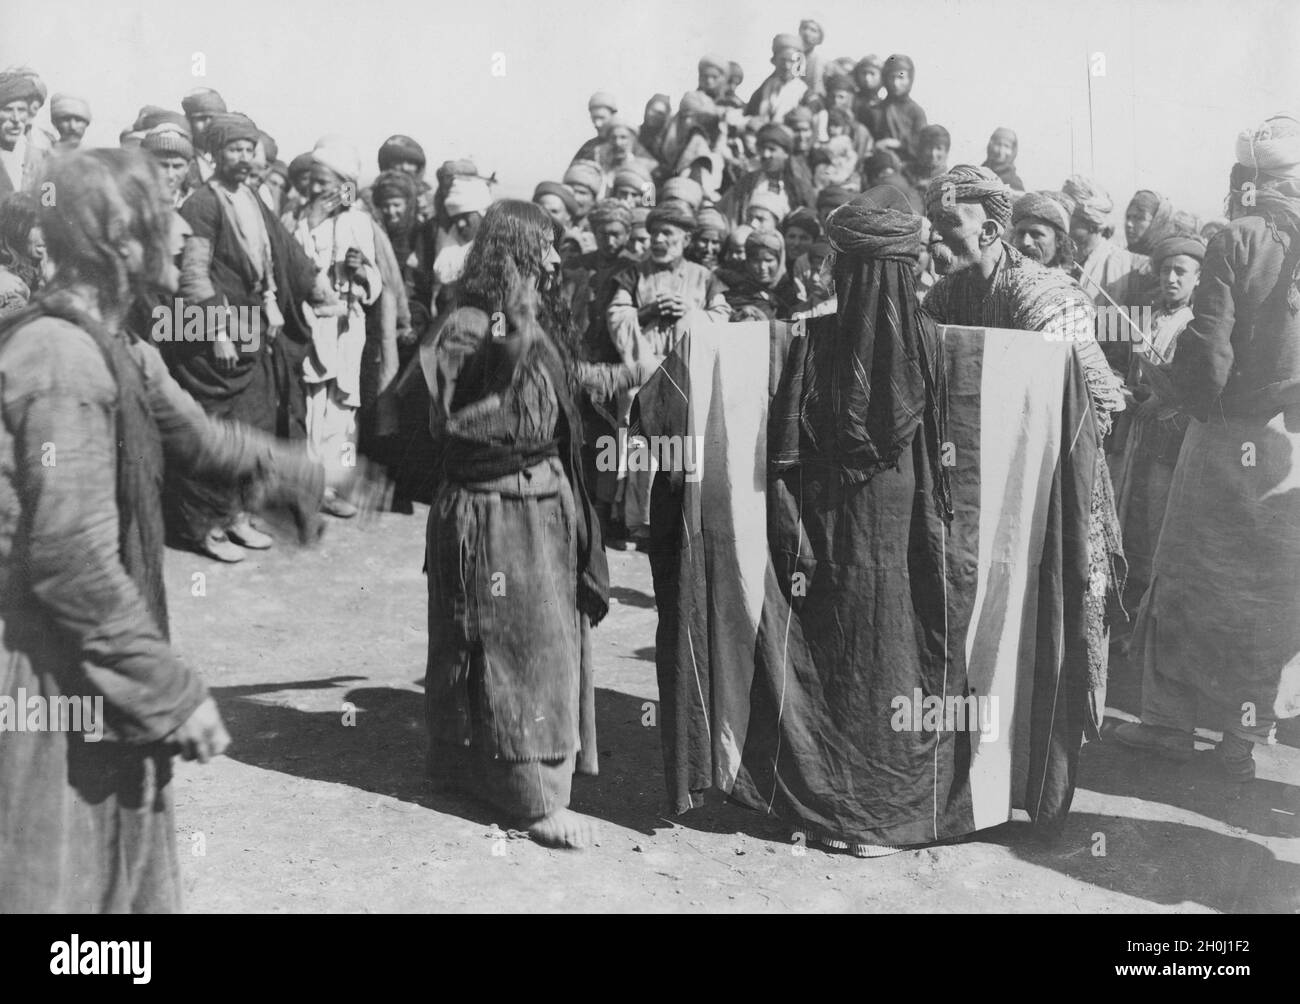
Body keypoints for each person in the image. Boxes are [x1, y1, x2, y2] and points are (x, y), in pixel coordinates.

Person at [0, 149, 350, 912]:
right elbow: (70, 561)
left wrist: (316, 471)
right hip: (49, 674)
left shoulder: (120, 348)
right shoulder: (60, 359)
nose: (182, 236)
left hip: (92, 663)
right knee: (61, 896)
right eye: (165, 219)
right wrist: (169, 691)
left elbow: (200, 441)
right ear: (120, 242)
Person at [1115, 116, 1300, 779]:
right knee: (1262, 593)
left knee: (1188, 578)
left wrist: (1171, 384)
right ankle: (1239, 743)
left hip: (1223, 436)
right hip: (1287, 446)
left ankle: (1167, 724)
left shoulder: (1235, 240)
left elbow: (1211, 360)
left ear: (1246, 180)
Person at [423, 199, 610, 849]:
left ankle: (484, 773)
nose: (555, 262)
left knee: (528, 649)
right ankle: (531, 800)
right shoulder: (466, 325)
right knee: (512, 650)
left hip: (539, 508)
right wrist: (512, 347)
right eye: (541, 250)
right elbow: (454, 421)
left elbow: (561, 395)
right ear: (509, 255)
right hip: (496, 510)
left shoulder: (526, 320)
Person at [922, 166, 1127, 716]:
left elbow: (1095, 407)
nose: (933, 238)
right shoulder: (945, 297)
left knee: (1045, 627)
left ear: (990, 231)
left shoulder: (1047, 294)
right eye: (930, 225)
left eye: (946, 224)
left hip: (1053, 481)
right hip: (976, 482)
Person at [170, 112, 327, 560]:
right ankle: (204, 526)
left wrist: (312, 287)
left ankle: (236, 514)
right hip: (213, 332)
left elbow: (278, 253)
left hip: (253, 329)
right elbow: (194, 274)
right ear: (215, 155)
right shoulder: (204, 202)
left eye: (248, 148)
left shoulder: (252, 197)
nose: (243, 157)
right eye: (233, 149)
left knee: (251, 427)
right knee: (217, 431)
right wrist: (217, 330)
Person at [605, 201, 729, 545]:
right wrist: (644, 313)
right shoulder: (632, 274)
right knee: (639, 448)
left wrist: (689, 314)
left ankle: (682, 523)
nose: (659, 239)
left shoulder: (705, 278)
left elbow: (721, 320)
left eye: (667, 233)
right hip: (642, 372)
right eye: (654, 232)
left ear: (686, 238)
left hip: (686, 375)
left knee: (683, 448)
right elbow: (616, 318)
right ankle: (638, 523)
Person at [1110, 235, 1203, 609]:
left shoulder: (1196, 325)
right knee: (1125, 507)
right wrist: (1124, 385)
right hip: (1133, 431)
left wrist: (1162, 399)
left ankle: (1151, 605)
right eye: (1166, 270)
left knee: (1157, 518)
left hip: (1169, 439)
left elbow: (1197, 387)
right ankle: (1123, 597)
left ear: (1198, 278)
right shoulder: (1144, 316)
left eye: (1181, 272)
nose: (1172, 278)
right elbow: (1123, 361)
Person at [291, 138, 383, 519]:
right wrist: (311, 225)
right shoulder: (300, 220)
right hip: (314, 326)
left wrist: (360, 269)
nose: (317, 190)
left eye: (325, 182)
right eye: (312, 181)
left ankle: (335, 486)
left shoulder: (359, 221)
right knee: (313, 404)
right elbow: (294, 266)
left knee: (343, 409)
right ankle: (310, 486)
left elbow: (375, 283)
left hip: (348, 328)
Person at [1062, 174, 1150, 372]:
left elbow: (1136, 338)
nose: (1064, 224)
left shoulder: (1127, 267)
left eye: (1070, 217)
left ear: (1090, 221)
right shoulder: (1060, 260)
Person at [717, 123, 815, 227]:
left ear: (786, 154)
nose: (765, 155)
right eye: (762, 149)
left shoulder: (799, 187)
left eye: (772, 149)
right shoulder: (746, 183)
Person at [867, 54, 927, 168]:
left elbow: (924, 146)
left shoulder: (916, 112)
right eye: (891, 77)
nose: (895, 83)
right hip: (878, 167)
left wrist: (899, 144)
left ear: (910, 79)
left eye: (901, 77)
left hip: (910, 168)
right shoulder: (875, 111)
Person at [0, 71, 50, 196]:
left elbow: (49, 205)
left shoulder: (44, 160)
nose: (16, 119)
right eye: (8, 110)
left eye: (21, 110)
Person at [0, 192, 48, 316]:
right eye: (35, 226)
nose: (45, 233)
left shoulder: (33, 273)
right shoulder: (11, 289)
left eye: (46, 225)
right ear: (16, 231)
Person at [746, 34, 809, 124]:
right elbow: (750, 113)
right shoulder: (766, 87)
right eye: (782, 60)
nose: (786, 66)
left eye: (791, 61)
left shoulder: (803, 91)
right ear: (774, 60)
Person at [1010, 190, 1075, 270]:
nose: (1025, 242)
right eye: (1021, 233)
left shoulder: (1065, 282)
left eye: (1035, 234)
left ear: (1059, 240)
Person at [140, 123, 195, 208]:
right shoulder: (134, 203)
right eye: (163, 165)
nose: (170, 175)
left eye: (177, 167)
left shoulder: (196, 202)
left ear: (188, 167)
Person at [180, 88, 226, 188]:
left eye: (214, 118)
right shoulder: (182, 159)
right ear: (189, 122)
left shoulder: (229, 155)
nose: (209, 125)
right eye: (202, 119)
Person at [906, 123, 950, 196]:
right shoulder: (906, 173)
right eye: (929, 147)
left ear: (946, 152)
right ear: (921, 149)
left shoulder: (950, 184)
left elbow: (950, 206)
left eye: (939, 148)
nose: (933, 153)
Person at [575, 91, 619, 163]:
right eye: (594, 118)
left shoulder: (630, 144)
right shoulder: (588, 148)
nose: (597, 124)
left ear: (613, 116)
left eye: (602, 118)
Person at [563, 160, 604, 227]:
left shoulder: (598, 230)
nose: (576, 198)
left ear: (594, 199)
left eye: (582, 193)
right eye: (571, 191)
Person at [798, 18, 826, 100]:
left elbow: (816, 89)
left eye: (813, 30)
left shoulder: (819, 60)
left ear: (820, 38)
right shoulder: (795, 56)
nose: (807, 33)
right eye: (805, 28)